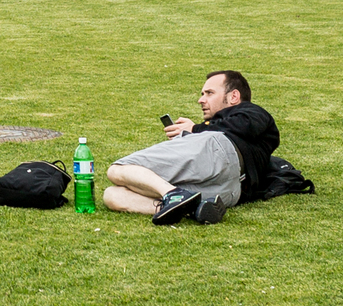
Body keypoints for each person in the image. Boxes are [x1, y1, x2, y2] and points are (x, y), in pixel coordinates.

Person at [103, 70, 279, 225]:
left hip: (218, 153)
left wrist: (194, 129)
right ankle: (193, 208)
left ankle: (173, 194)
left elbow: (246, 125)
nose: (201, 100)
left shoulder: (251, 111)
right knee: (113, 196)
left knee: (117, 170)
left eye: (209, 93)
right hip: (230, 191)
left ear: (234, 96)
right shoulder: (220, 126)